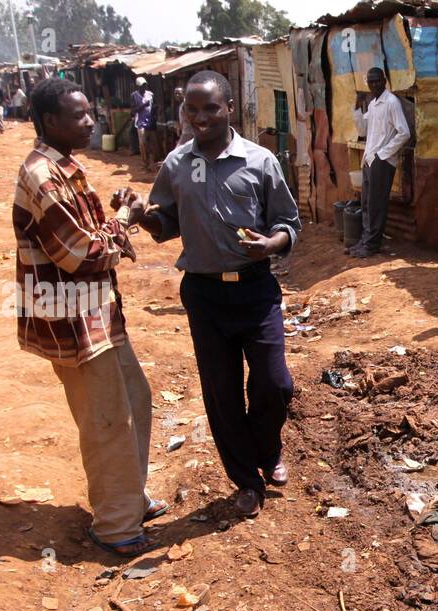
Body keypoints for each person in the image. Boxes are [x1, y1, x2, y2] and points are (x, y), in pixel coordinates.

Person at [132, 70, 301, 519]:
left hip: (255, 289)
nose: (199, 117)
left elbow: (289, 224)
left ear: (230, 108)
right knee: (221, 393)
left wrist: (270, 244)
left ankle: (267, 451)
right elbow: (164, 226)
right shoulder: (175, 164)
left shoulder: (260, 161)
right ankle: (247, 479)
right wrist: (141, 217)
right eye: (191, 108)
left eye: (210, 108)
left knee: (275, 383)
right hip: (204, 295)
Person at [15, 77, 164, 556]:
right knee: (105, 419)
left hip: (96, 311)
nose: (90, 121)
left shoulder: (66, 166)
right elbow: (81, 253)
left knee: (134, 400)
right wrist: (124, 220)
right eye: (78, 116)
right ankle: (116, 525)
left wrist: (114, 215)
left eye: (87, 113)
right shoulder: (42, 176)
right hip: (71, 318)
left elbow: (89, 234)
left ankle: (129, 498)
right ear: (50, 122)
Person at [349, 67, 410, 259]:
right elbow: (363, 129)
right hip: (369, 159)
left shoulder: (391, 102)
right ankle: (366, 240)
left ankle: (372, 244)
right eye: (371, 82)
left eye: (377, 81)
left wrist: (383, 154)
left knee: (376, 203)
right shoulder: (374, 104)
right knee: (367, 202)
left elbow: (404, 133)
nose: (374, 84)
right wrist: (358, 107)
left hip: (381, 160)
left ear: (384, 81)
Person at [131, 77, 155, 170]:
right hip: (140, 122)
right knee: (143, 144)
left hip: (150, 122)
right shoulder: (134, 96)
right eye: (142, 86)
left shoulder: (150, 94)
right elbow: (133, 110)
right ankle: (145, 164)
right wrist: (144, 105)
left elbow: (154, 106)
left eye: (145, 85)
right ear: (138, 86)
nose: (144, 87)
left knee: (153, 143)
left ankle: (153, 163)